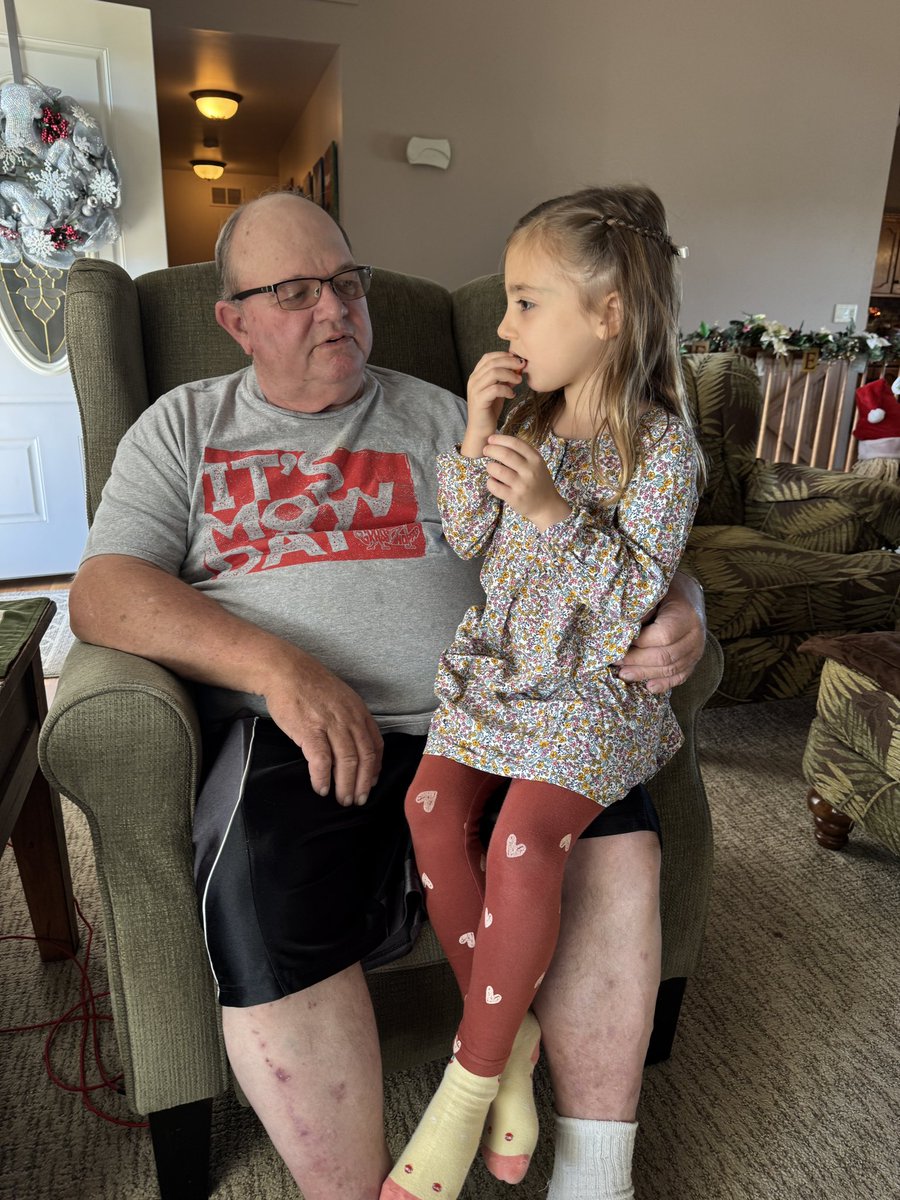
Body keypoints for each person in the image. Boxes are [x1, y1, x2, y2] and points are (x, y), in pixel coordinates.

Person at [68, 190, 707, 1200]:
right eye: (296, 291)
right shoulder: (180, 428)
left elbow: (608, 508)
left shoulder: (452, 408)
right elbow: (103, 591)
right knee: (261, 875)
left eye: (348, 282)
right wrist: (279, 668)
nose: (336, 309)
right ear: (232, 319)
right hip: (295, 736)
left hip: (502, 709)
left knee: (610, 828)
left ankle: (594, 1167)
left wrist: (686, 606)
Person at [380, 185, 702, 1200]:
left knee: (522, 842)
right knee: (429, 807)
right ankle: (513, 1047)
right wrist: (477, 442)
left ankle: (468, 1086)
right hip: (499, 674)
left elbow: (631, 601)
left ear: (606, 315)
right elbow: (472, 544)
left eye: (526, 302)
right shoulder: (526, 415)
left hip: (593, 695)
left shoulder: (662, 451)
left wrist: (557, 510)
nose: (503, 326)